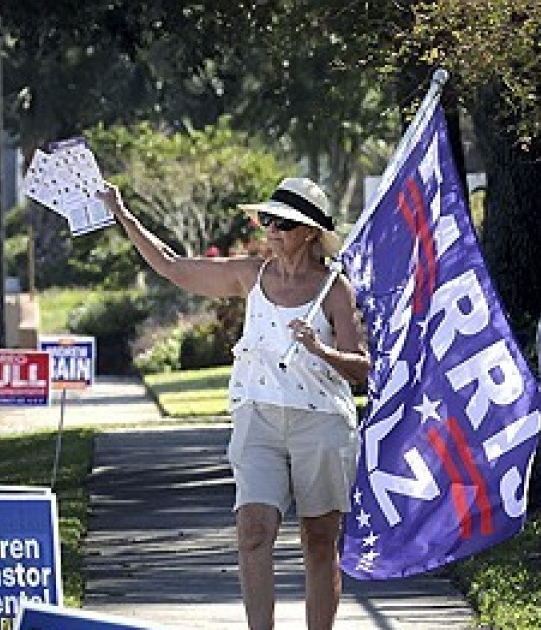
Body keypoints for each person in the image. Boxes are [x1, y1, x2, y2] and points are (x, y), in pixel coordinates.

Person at [98, 177, 370, 630]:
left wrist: (320, 351)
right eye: (267, 220)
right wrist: (123, 214)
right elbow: (171, 267)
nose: (272, 230)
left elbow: (361, 369)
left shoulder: (335, 290)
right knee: (252, 531)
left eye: (283, 223)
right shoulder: (250, 275)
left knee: (319, 542)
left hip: (321, 423)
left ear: (309, 232)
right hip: (257, 417)